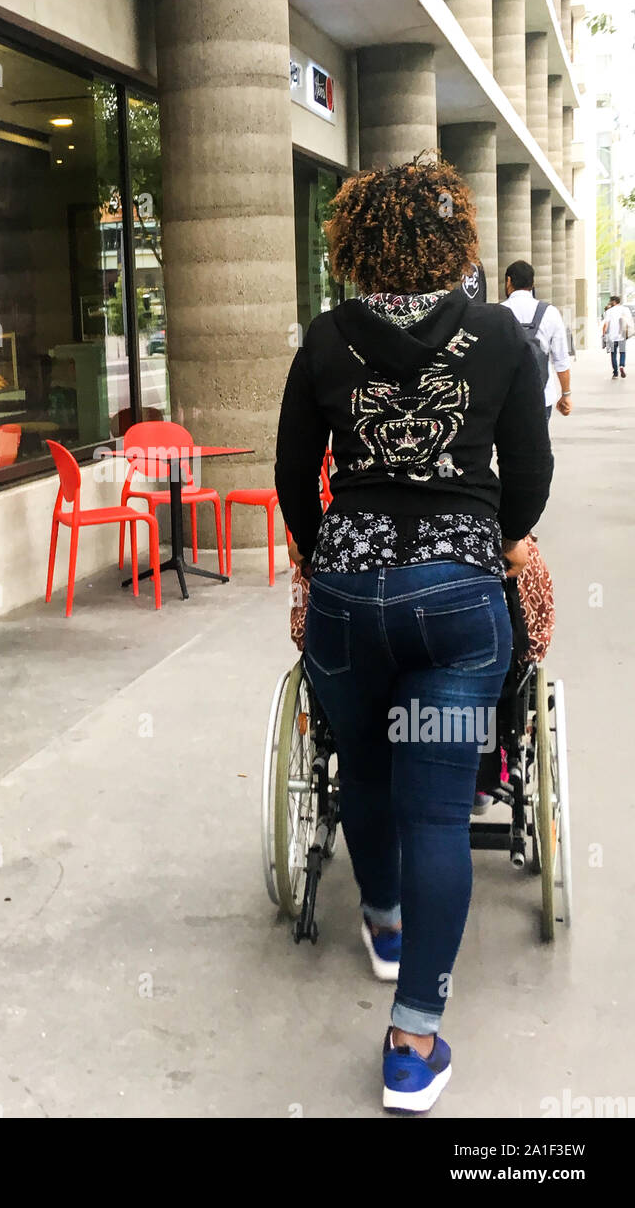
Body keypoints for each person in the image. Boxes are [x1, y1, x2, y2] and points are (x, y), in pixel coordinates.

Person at [275, 153, 552, 1114]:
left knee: (364, 768)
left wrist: (322, 560)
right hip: (454, 608)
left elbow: (288, 471)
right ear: (457, 242)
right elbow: (527, 476)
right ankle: (411, 1043)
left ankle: (383, 918)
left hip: (351, 601)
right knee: (438, 810)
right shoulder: (499, 337)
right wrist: (497, 539)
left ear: (355, 241)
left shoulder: (324, 337)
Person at [501, 261, 572, 419]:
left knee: (508, 444)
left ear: (508, 281)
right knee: (538, 444)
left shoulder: (498, 312)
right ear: (533, 284)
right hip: (542, 397)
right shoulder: (550, 313)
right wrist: (565, 394)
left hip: (506, 399)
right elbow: (561, 359)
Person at [602, 295, 633, 378]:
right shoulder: (625, 309)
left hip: (612, 337)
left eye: (611, 301)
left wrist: (604, 334)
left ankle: (615, 373)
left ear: (614, 302)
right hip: (622, 335)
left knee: (613, 354)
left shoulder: (609, 311)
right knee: (622, 352)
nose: (610, 302)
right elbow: (629, 321)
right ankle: (621, 366)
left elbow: (606, 324)